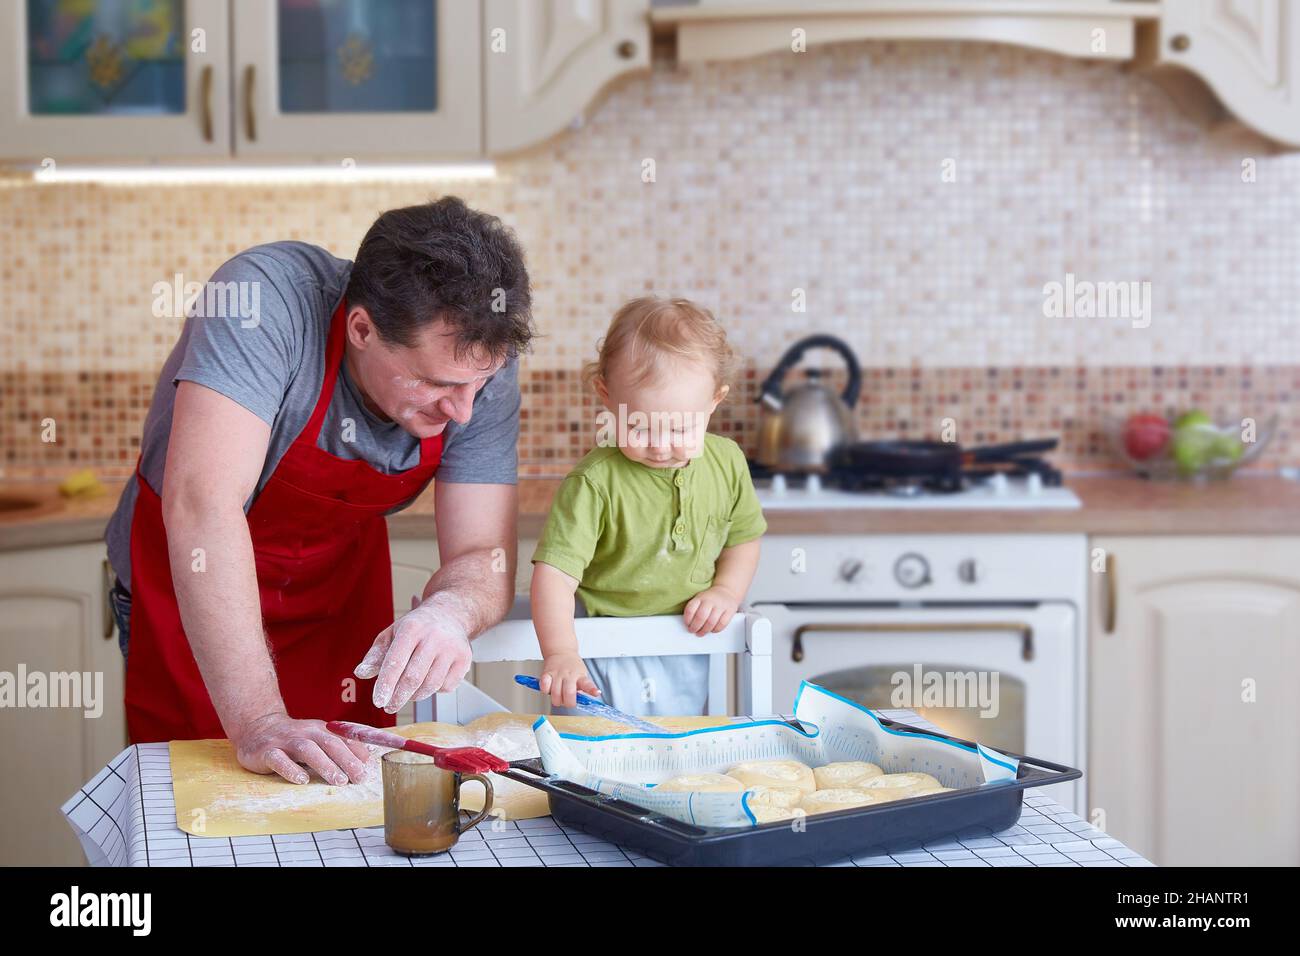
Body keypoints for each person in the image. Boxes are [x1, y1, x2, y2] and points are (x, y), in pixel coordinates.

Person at [104, 197, 532, 785]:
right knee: (198, 807)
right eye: (436, 384)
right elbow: (203, 507)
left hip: (338, 604)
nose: (463, 411)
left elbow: (482, 551)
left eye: (478, 386)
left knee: (343, 809)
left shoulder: (478, 351)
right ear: (361, 329)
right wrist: (258, 720)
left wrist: (452, 610)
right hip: (190, 591)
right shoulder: (261, 301)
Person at [530, 297, 766, 715]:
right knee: (594, 765)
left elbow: (743, 539)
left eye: (679, 427)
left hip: (686, 644)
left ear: (714, 401)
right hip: (599, 653)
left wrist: (727, 590)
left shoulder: (727, 462)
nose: (659, 445)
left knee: (674, 754)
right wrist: (562, 652)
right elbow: (555, 576)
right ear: (606, 395)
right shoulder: (594, 482)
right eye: (638, 425)